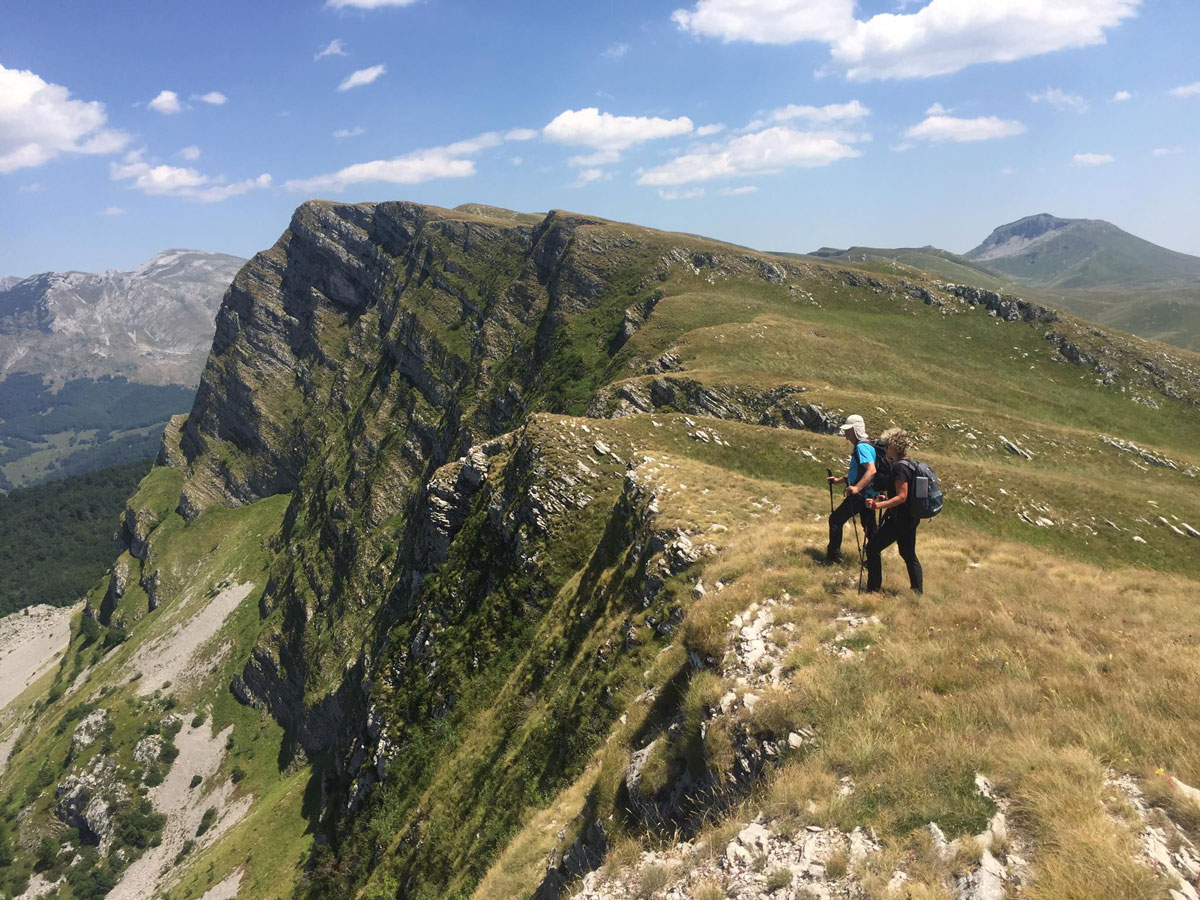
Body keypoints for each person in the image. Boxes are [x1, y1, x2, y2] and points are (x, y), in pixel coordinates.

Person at [864, 428, 923, 594]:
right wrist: (886, 500)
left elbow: (902, 496)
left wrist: (877, 505)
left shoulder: (899, 468)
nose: (885, 448)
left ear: (895, 447)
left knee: (872, 548)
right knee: (908, 554)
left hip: (900, 519)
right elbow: (903, 495)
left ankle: (873, 589)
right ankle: (917, 592)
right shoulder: (911, 464)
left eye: (888, 445)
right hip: (910, 517)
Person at [825, 414, 876, 564]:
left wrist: (856, 488)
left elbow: (871, 470)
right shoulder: (869, 444)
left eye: (848, 431)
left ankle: (833, 558)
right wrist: (839, 481)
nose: (846, 435)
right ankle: (873, 560)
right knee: (870, 528)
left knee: (835, 520)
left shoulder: (861, 447)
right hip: (869, 494)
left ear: (855, 430)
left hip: (860, 495)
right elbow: (858, 472)